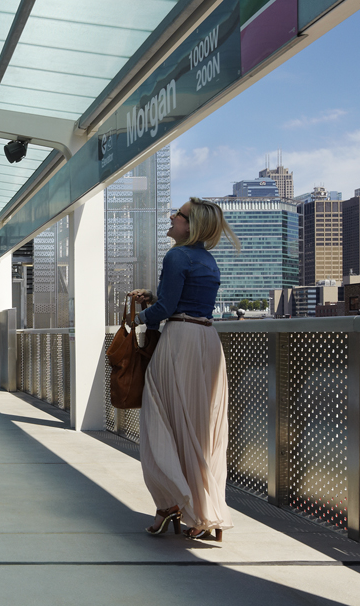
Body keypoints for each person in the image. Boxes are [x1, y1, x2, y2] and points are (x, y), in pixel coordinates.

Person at [131, 197, 240, 542]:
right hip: (207, 343)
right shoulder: (208, 261)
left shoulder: (177, 255)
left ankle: (172, 505)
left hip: (179, 343)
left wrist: (137, 318)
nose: (171, 217)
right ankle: (206, 511)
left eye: (177, 214)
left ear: (190, 225)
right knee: (201, 430)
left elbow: (167, 309)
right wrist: (155, 297)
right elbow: (183, 299)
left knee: (160, 423)